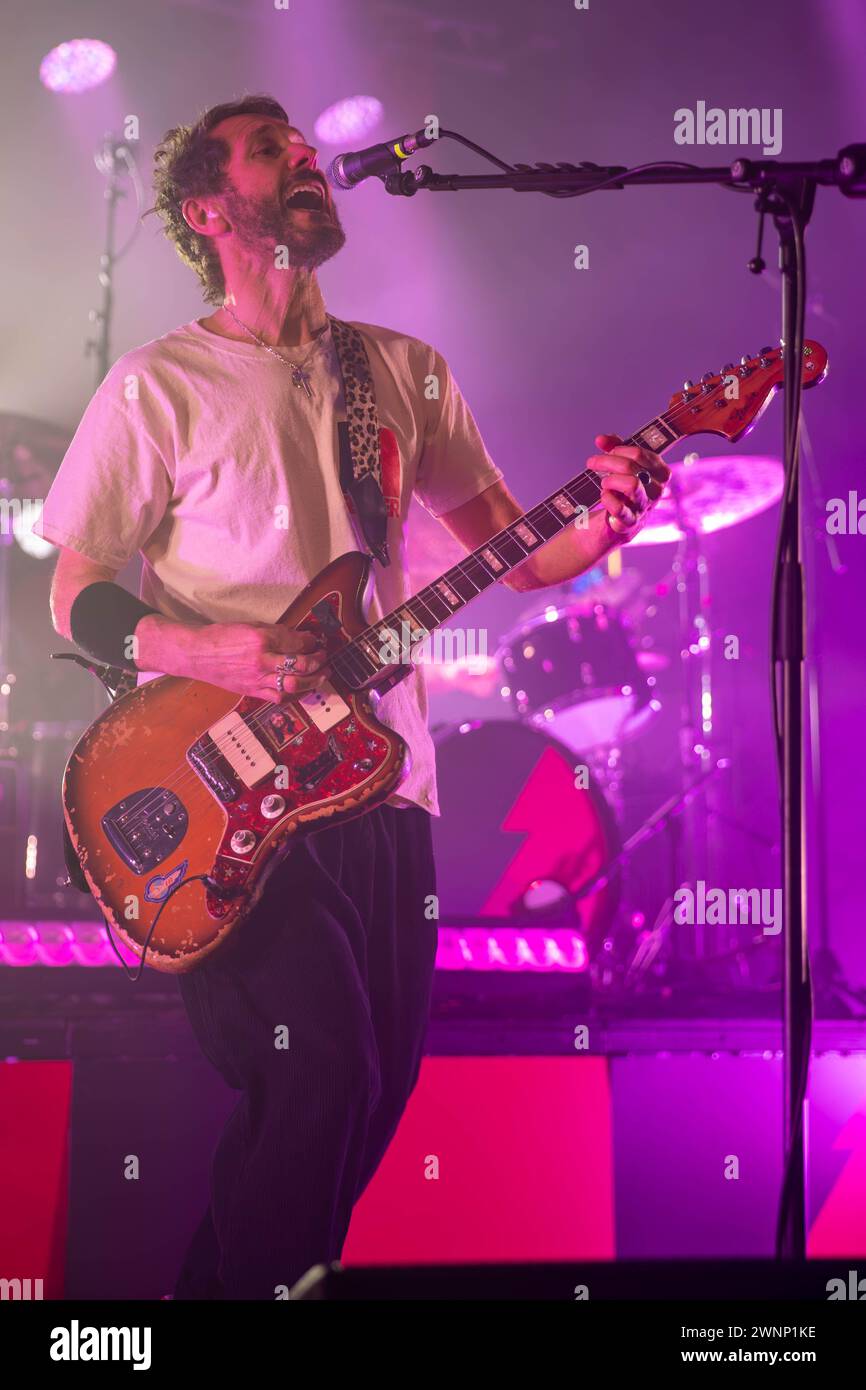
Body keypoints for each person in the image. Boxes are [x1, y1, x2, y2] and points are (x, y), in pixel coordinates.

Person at [35, 94, 670, 1299]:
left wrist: (597, 516)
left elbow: (519, 555)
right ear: (209, 209)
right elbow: (75, 595)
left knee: (379, 1085)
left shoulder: (399, 374)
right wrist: (211, 651)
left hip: (383, 781)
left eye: (304, 144)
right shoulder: (157, 385)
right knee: (319, 1068)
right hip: (229, 790)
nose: (308, 159)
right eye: (273, 149)